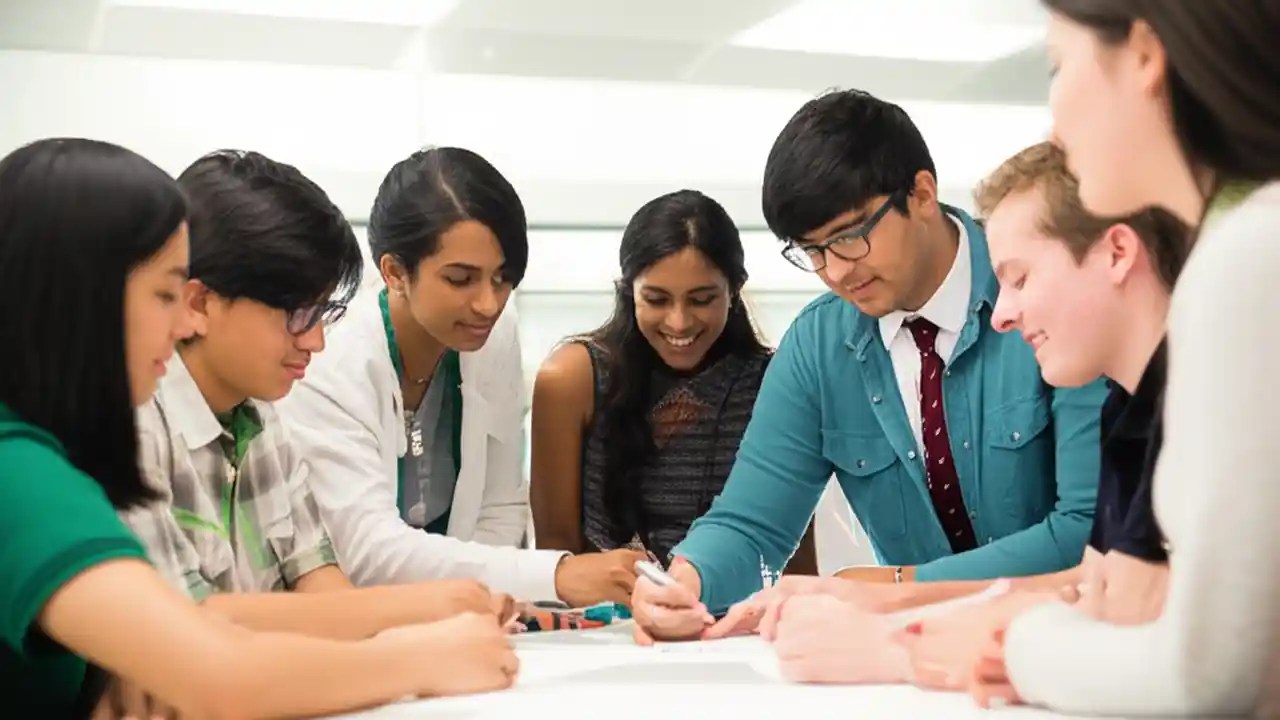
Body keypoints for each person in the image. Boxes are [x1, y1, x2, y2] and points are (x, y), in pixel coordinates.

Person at [0, 138, 517, 718]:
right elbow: (209, 665)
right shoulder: (21, 470)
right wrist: (419, 655)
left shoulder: (51, 446)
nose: (181, 322)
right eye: (167, 294)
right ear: (79, 299)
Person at [631, 89, 1109, 643]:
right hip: (909, 665)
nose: (834, 271)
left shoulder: (1037, 297)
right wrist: (685, 580)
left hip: (1067, 641)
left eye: (851, 238)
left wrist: (889, 589)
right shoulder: (818, 344)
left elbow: (1089, 529)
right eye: (811, 251)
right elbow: (750, 521)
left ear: (922, 194)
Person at [763, 141, 1188, 686]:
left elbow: (1191, 657)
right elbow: (1094, 588)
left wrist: (899, 651)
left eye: (1020, 278)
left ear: (1117, 254)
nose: (1002, 314)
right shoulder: (1128, 414)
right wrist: (881, 602)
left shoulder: (1212, 411)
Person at [968, 1, 1280, 715]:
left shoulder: (1251, 255)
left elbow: (1208, 681)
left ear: (1143, 55)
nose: (1053, 123)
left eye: (1057, 65)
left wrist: (1017, 640)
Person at [119, 149, 509, 640]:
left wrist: (437, 616)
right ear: (199, 303)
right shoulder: (135, 428)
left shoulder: (262, 418)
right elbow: (184, 629)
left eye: (323, 314)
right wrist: (419, 614)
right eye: (298, 315)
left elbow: (317, 579)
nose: (316, 341)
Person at [280, 147, 642, 606]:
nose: (488, 303)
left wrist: (488, 602)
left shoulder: (492, 333)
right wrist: (556, 574)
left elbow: (501, 505)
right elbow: (366, 552)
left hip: (453, 619)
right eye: (460, 279)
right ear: (394, 272)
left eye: (502, 277)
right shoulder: (332, 356)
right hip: (352, 621)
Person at [530, 189, 816, 572]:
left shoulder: (775, 385)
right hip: (603, 622)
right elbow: (555, 562)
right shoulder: (571, 379)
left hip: (736, 622)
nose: (679, 323)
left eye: (701, 300)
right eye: (657, 300)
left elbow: (794, 563)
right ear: (629, 290)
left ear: (734, 290)